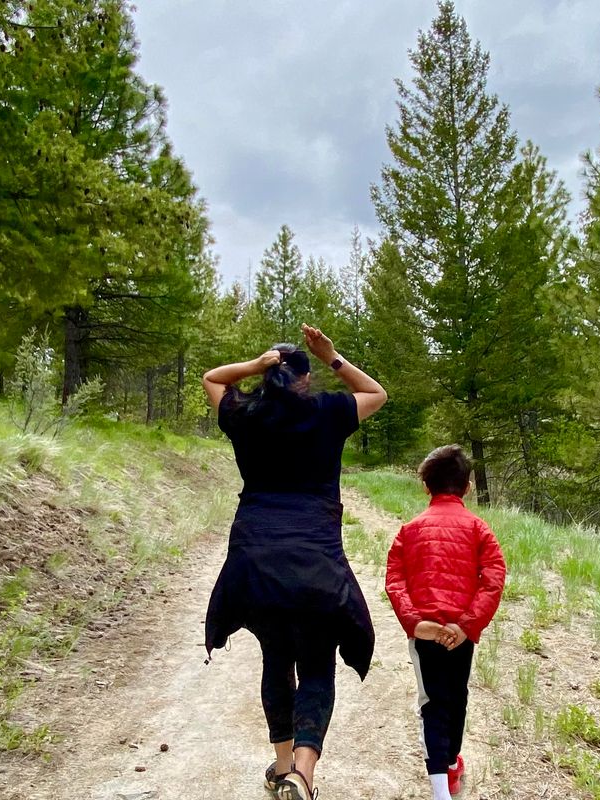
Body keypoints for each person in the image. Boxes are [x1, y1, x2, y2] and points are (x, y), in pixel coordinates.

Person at [202, 324, 388, 800]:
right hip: (314, 559)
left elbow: (212, 379)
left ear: (267, 377)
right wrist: (331, 356)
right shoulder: (327, 412)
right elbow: (376, 392)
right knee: (317, 663)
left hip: (255, 559)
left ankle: (283, 764)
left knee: (275, 656)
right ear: (306, 379)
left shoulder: (246, 413)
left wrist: (255, 365)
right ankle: (302, 773)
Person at [384, 445, 506, 800]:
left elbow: (395, 578)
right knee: (457, 695)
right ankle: (451, 765)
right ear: (467, 487)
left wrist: (415, 622)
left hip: (426, 635)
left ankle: (442, 787)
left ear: (426, 486)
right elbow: (494, 577)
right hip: (461, 636)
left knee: (432, 704)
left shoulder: (410, 530)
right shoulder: (479, 529)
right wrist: (467, 625)